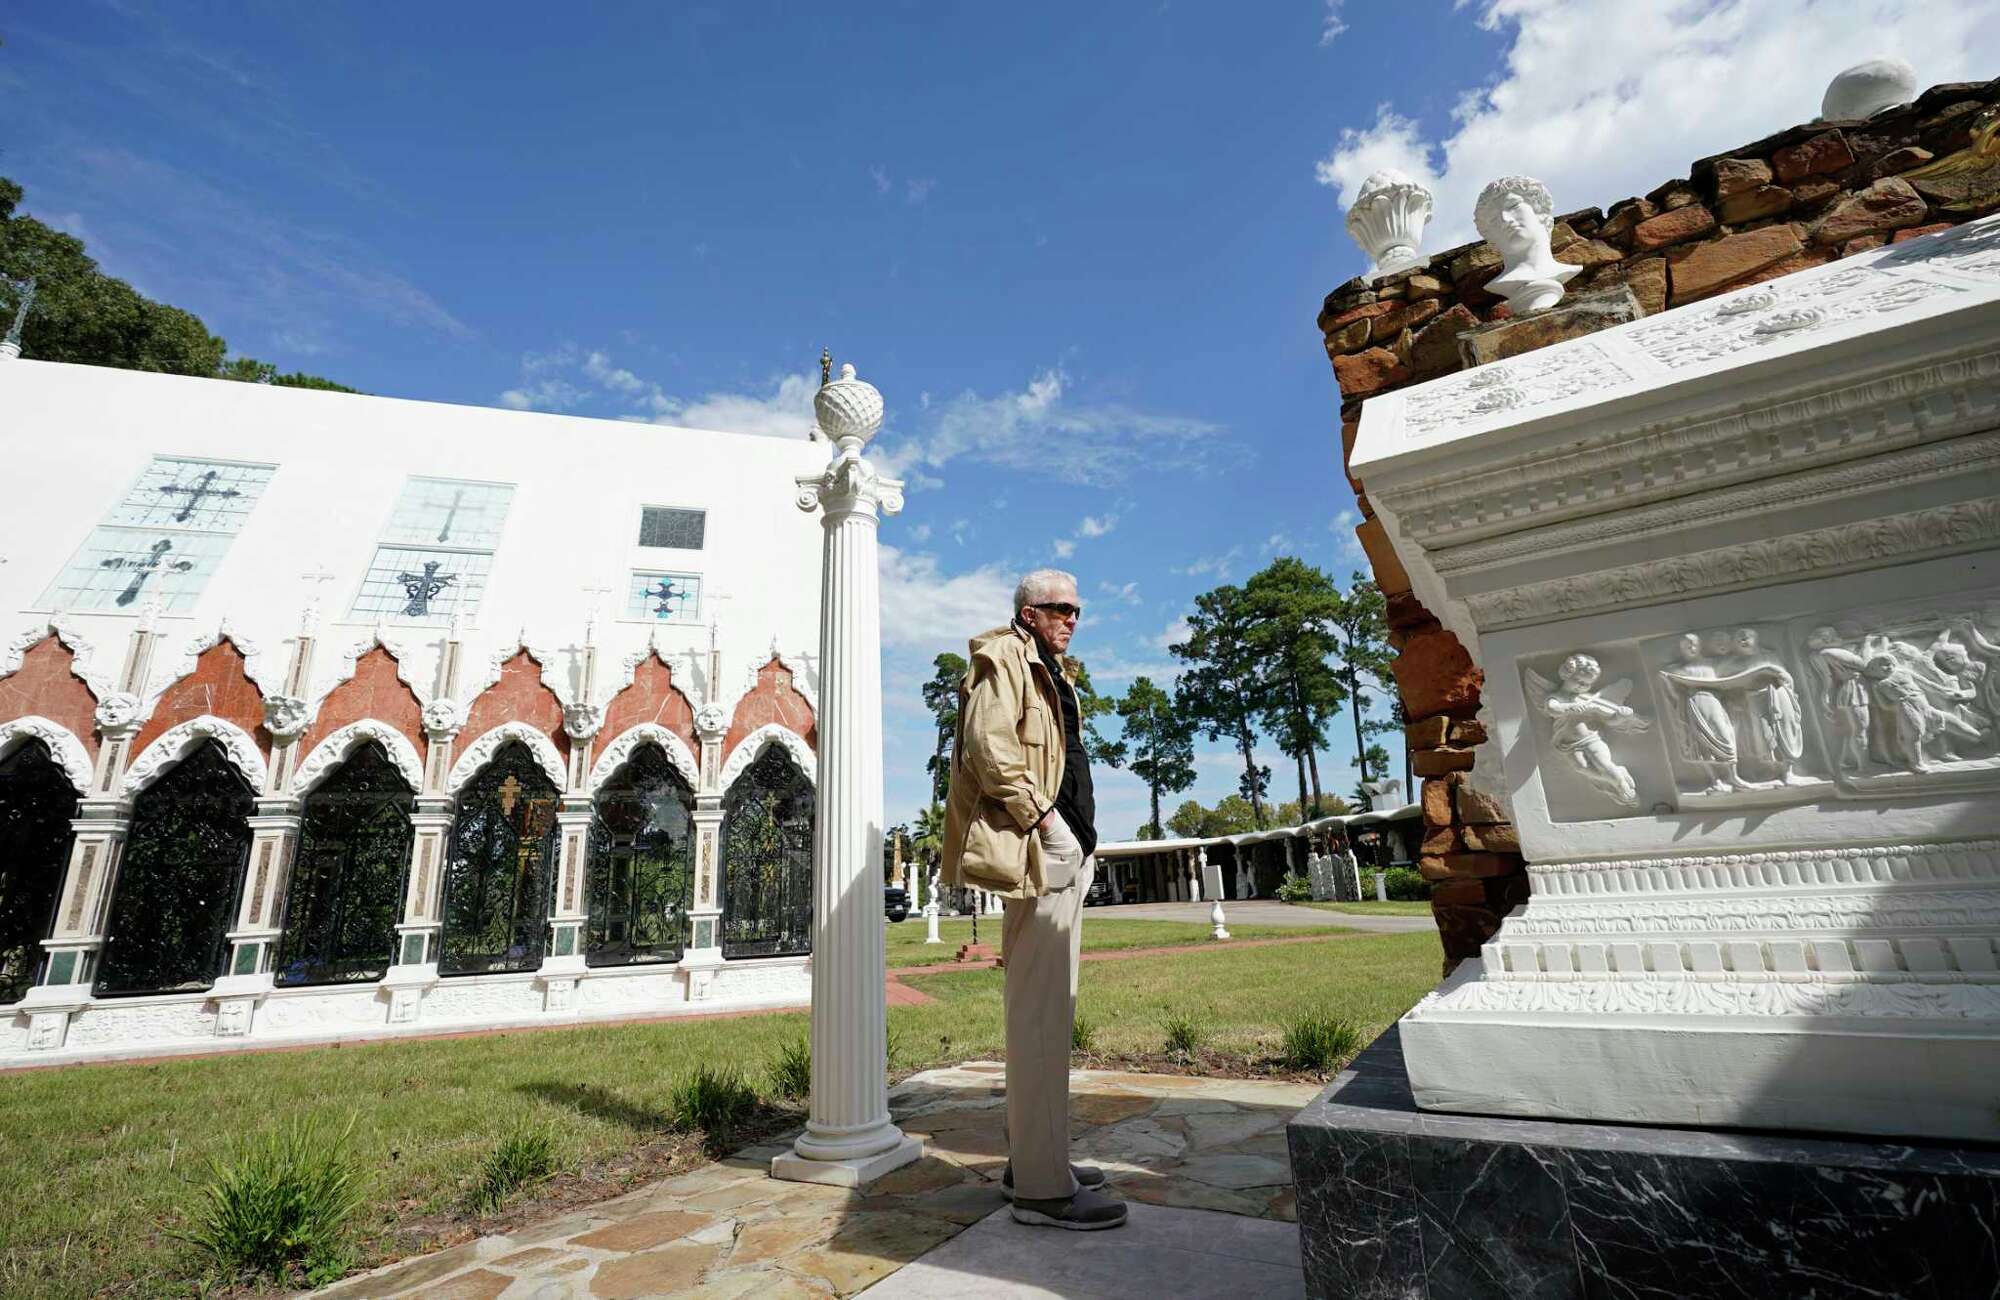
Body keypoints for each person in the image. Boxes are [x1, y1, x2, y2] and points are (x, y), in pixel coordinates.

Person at [939, 568, 1126, 1231]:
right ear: (1027, 612)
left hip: (1067, 852)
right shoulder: (1003, 659)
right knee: (1041, 1017)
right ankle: (1043, 1193)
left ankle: (1034, 1162)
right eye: (1059, 608)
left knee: (1051, 1013)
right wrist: (1047, 824)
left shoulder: (1051, 668)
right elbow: (989, 750)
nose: (1072, 618)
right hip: (1044, 851)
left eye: (1078, 608)